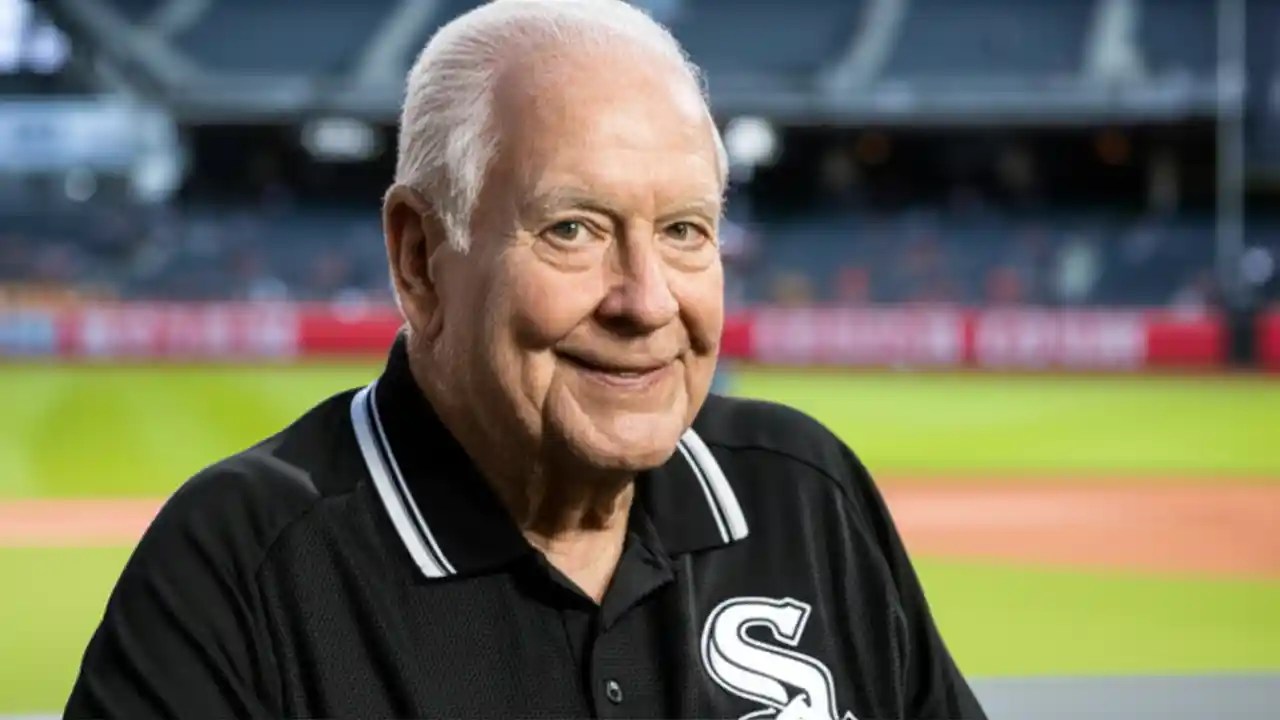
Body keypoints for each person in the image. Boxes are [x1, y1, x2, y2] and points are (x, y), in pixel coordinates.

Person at [65, 1, 986, 718]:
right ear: (420, 258)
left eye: (684, 231)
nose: (646, 301)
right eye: (573, 229)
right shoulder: (239, 568)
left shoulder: (805, 495)